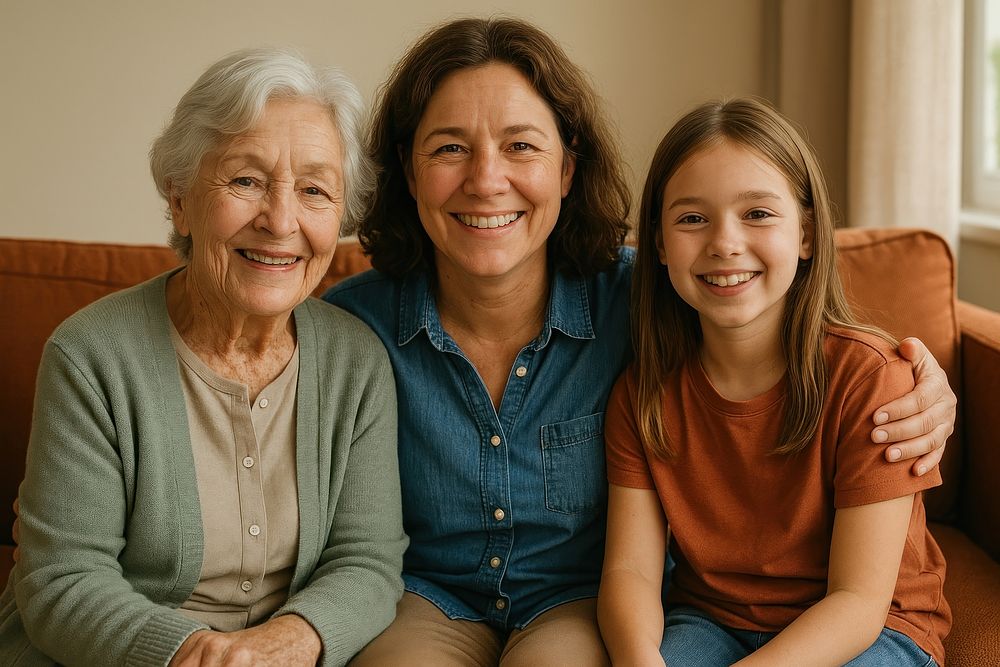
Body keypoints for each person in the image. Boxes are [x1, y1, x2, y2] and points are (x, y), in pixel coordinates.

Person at [323, 17, 956, 667]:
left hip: (576, 605)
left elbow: (783, 319)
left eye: (521, 146)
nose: (486, 180)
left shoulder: (649, 299)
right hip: (433, 602)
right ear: (407, 167)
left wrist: (923, 377)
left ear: (567, 166)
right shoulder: (346, 330)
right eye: (450, 148)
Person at [0, 48, 406, 666]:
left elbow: (368, 562)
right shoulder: (91, 356)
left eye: (315, 190)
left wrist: (277, 648)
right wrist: (198, 654)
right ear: (181, 200)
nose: (281, 220)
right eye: (245, 181)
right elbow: (62, 582)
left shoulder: (356, 362)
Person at [598, 97, 951, 666]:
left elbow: (858, 602)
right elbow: (631, 570)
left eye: (757, 214)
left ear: (806, 234)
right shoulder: (641, 396)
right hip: (715, 623)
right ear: (659, 245)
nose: (724, 242)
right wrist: (641, 659)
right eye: (692, 218)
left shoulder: (872, 381)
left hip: (876, 629)